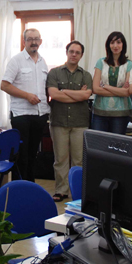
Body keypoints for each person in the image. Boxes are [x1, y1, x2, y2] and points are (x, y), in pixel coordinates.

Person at [1, 28, 50, 182]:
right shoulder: (16, 61)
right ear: (24, 42)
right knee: (21, 155)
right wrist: (27, 96)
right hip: (21, 115)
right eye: (30, 39)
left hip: (39, 114)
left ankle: (30, 186)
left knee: (32, 154)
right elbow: (4, 85)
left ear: (40, 41)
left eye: (36, 39)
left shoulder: (43, 62)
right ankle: (18, 188)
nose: (33, 42)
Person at [46, 40, 93, 202]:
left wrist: (64, 91)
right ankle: (61, 190)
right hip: (59, 122)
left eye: (77, 52)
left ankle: (77, 191)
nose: (74, 55)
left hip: (80, 123)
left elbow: (86, 96)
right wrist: (76, 95)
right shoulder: (54, 73)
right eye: (71, 51)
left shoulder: (86, 75)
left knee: (79, 160)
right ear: (67, 52)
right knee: (60, 159)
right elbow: (54, 95)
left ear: (81, 55)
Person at [91, 31, 132, 135]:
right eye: (112, 42)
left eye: (118, 42)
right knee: (99, 145)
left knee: (117, 146)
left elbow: (127, 92)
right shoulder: (100, 62)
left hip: (121, 113)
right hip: (100, 112)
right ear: (108, 45)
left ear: (123, 45)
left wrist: (105, 86)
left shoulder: (129, 64)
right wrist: (120, 91)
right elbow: (95, 89)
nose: (115, 46)